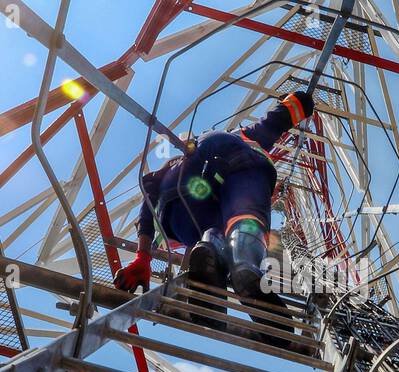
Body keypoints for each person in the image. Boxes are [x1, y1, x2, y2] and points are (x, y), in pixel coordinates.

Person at [114, 91, 315, 317]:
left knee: (210, 230)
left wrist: (143, 257)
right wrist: (299, 102)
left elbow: (147, 208)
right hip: (239, 157)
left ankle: (211, 246)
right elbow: (274, 122)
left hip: (179, 200)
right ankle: (244, 264)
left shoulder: (170, 166)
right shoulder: (241, 136)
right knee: (246, 217)